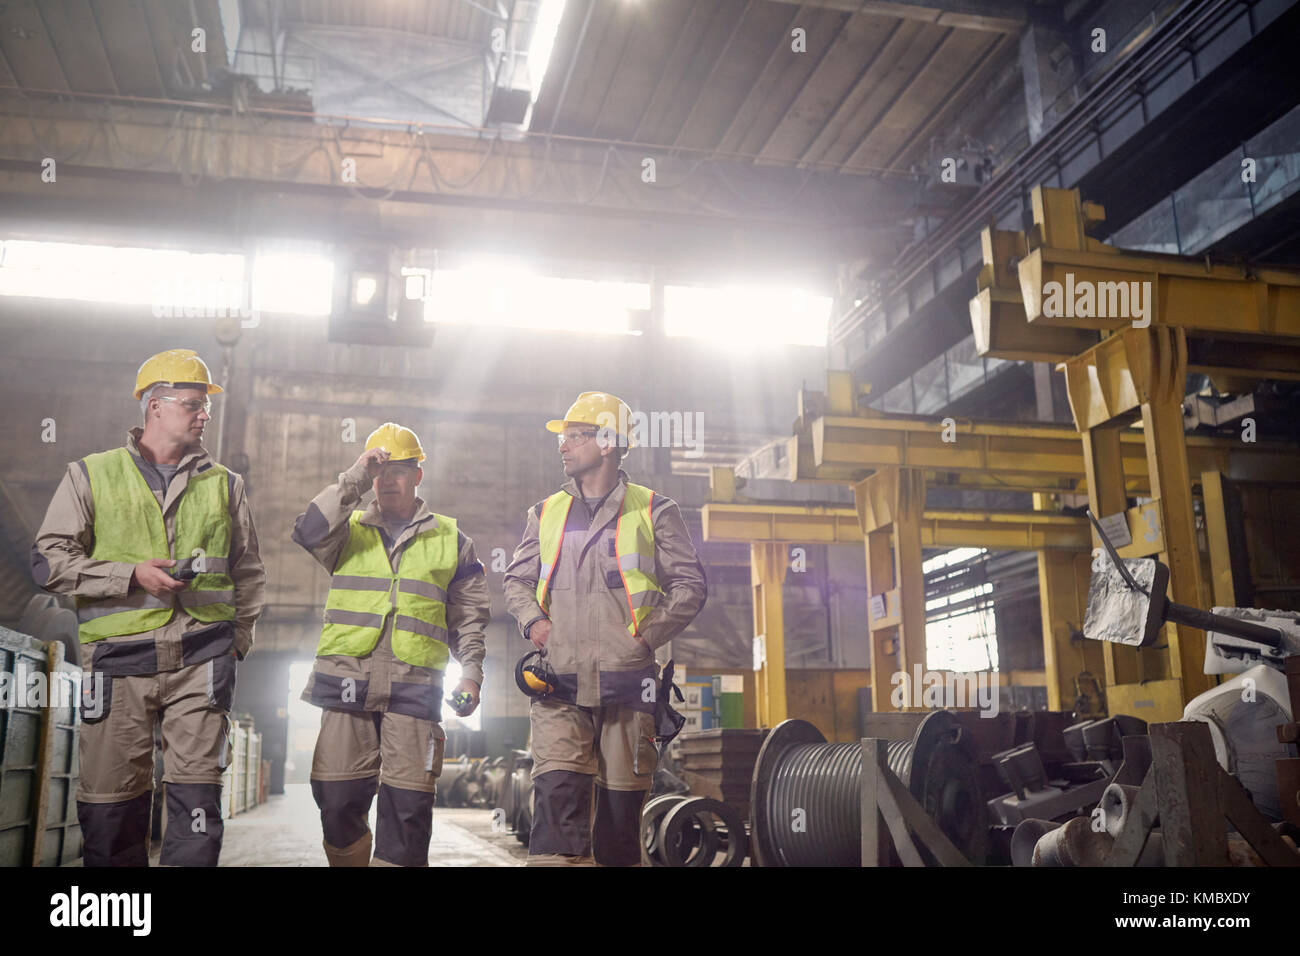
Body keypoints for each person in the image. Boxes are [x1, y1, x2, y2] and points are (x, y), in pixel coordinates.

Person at [32, 348, 266, 866]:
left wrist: (236, 643)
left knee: (197, 805)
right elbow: (48, 562)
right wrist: (129, 574)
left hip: (202, 660)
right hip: (117, 665)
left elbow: (249, 572)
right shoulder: (91, 475)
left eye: (207, 406)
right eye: (194, 404)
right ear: (155, 406)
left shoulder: (225, 484)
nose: (205, 414)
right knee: (110, 807)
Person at [504, 391, 707, 866]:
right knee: (556, 817)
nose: (563, 445)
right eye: (565, 437)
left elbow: (690, 586)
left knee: (618, 832)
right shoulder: (545, 512)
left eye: (575, 436)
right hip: (559, 686)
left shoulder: (656, 510)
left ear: (609, 442)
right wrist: (534, 622)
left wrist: (644, 637)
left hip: (628, 686)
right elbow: (516, 580)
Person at [293, 422, 490, 866]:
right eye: (379, 470)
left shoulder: (451, 540)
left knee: (408, 813)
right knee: (337, 802)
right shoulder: (347, 530)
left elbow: (470, 619)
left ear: (418, 475)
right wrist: (356, 475)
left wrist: (473, 676)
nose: (387, 480)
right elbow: (306, 530)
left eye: (398, 469)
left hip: (414, 689)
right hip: (346, 685)